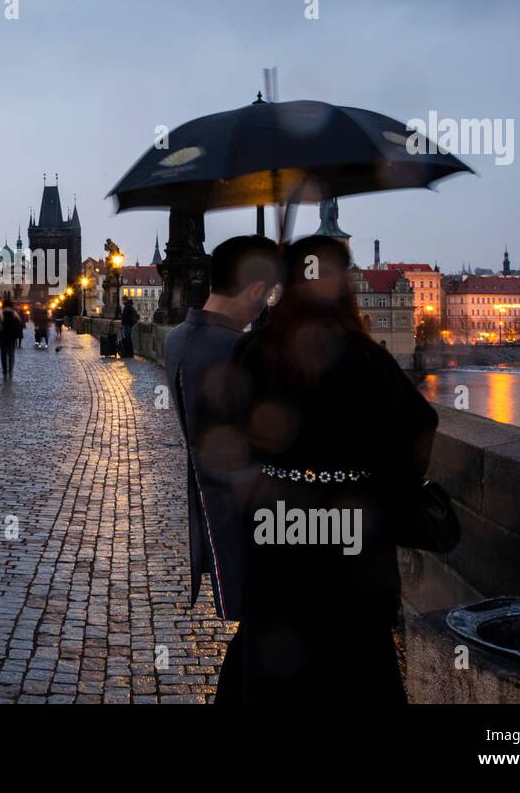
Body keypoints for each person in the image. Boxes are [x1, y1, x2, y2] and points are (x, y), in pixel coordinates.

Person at [226, 235, 460, 705]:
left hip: (276, 541)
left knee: (270, 662)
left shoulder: (251, 355)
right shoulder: (366, 359)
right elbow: (420, 429)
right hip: (353, 549)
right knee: (357, 667)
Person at [163, 235, 283, 685]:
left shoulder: (176, 339)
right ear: (254, 291)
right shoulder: (238, 352)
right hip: (253, 525)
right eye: (266, 294)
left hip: (211, 515)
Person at [0, 295, 21, 378]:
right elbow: (19, 325)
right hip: (12, 338)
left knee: (3, 354)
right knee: (11, 354)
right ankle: (10, 370)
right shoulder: (15, 314)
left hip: (2, 337)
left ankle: (4, 370)